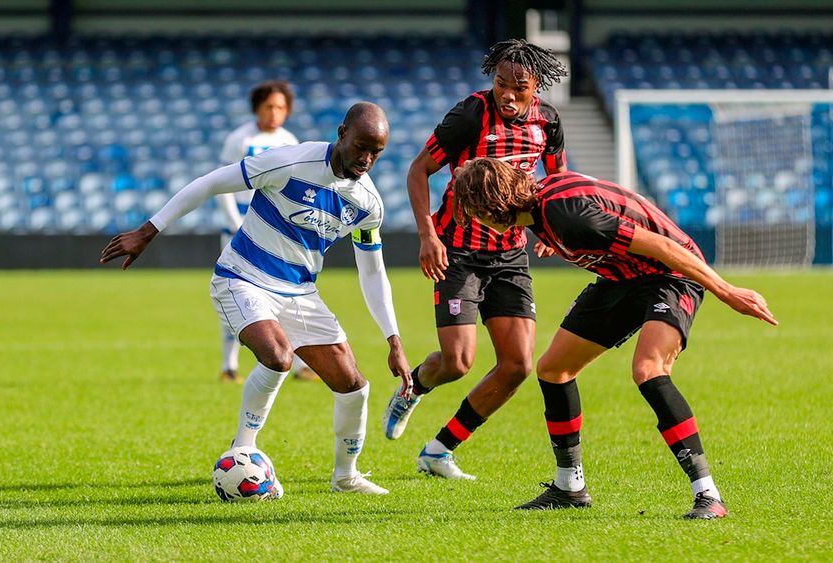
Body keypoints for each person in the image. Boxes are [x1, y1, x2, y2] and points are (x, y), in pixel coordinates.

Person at [100, 102, 411, 495]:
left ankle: (346, 477)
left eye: (376, 152)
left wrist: (393, 338)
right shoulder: (289, 162)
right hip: (241, 277)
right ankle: (243, 450)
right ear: (342, 132)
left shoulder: (368, 204)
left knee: (354, 386)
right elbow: (212, 182)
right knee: (278, 357)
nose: (367, 159)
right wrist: (149, 229)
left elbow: (372, 271)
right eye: (361, 146)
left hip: (300, 292)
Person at [451, 157, 778, 518]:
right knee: (553, 369)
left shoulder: (568, 217)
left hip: (669, 275)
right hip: (623, 278)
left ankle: (708, 495)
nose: (474, 220)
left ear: (492, 206)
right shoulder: (545, 208)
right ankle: (569, 487)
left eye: (473, 211)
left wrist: (725, 290)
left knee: (649, 369)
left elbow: (665, 247)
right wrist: (551, 237)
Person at [383, 39, 569, 480]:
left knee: (519, 365)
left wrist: (550, 229)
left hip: (509, 255)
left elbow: (556, 175)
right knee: (457, 363)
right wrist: (428, 234)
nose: (507, 94)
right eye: (501, 84)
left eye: (518, 87)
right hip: (458, 253)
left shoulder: (549, 121)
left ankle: (439, 449)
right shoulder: (470, 115)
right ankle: (415, 385)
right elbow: (417, 170)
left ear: (536, 86)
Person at [216, 80, 319, 383]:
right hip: (241, 231)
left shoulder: (289, 140)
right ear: (257, 108)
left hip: (277, 232)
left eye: (281, 108)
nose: (275, 113)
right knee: (236, 291)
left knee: (287, 294)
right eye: (269, 107)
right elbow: (221, 183)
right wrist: (234, 222)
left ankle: (301, 365)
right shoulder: (240, 139)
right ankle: (228, 365)